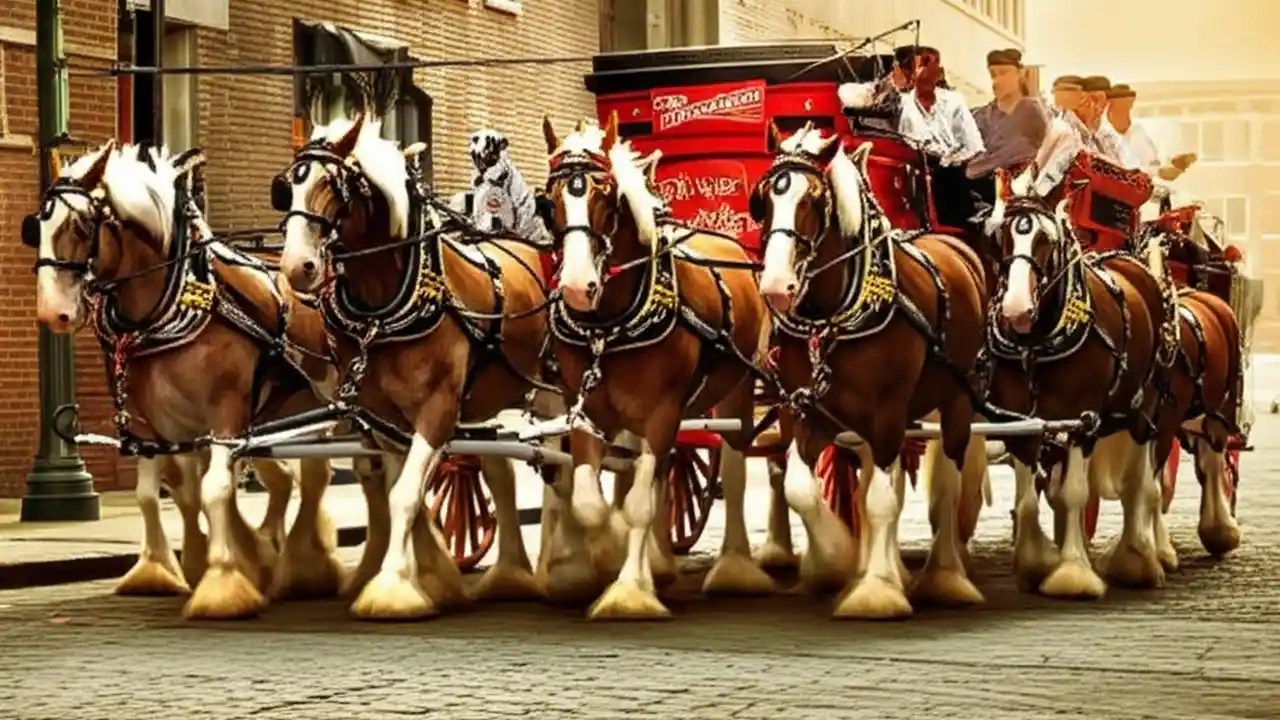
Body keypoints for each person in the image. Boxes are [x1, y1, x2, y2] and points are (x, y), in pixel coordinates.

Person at [896, 46, 985, 232]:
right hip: (913, 176)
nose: (928, 72)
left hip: (950, 176)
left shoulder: (954, 101)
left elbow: (973, 144)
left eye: (933, 65)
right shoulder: (900, 104)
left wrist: (948, 160)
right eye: (922, 65)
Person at [968, 48, 1049, 182]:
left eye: (1004, 73)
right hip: (981, 187)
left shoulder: (1031, 110)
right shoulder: (982, 115)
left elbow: (1046, 151)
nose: (997, 81)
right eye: (993, 75)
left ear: (1019, 73)